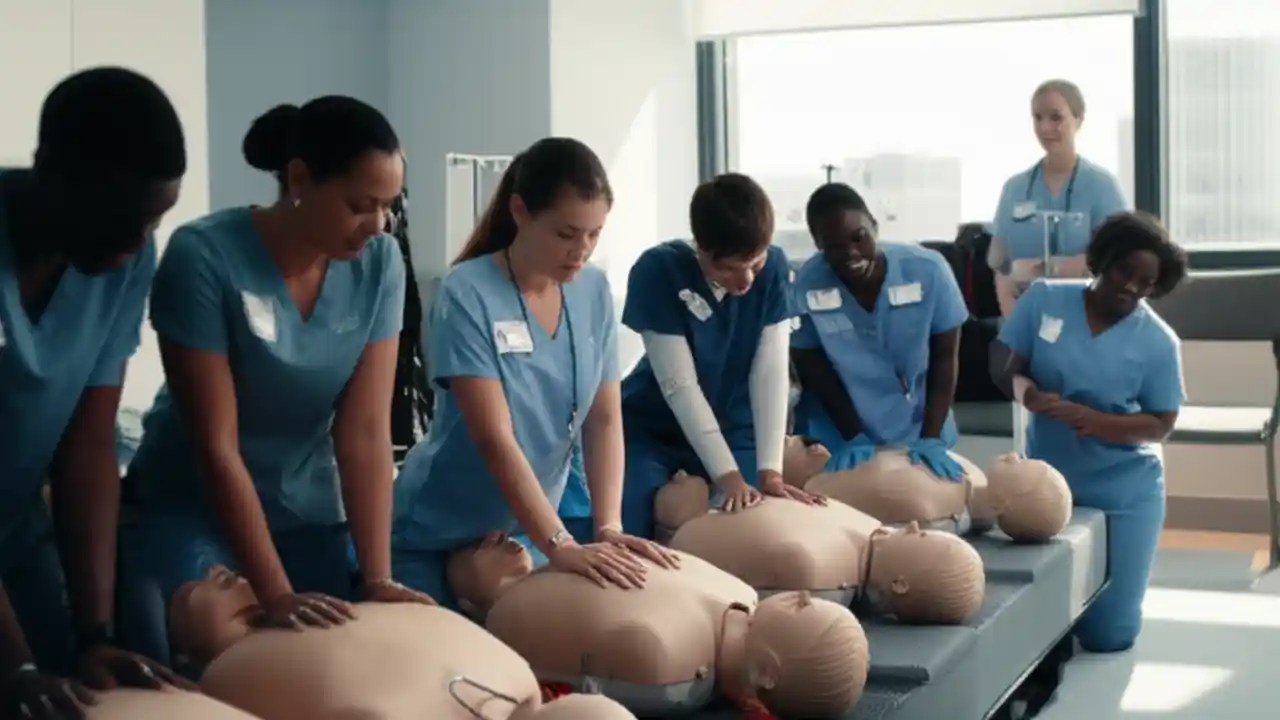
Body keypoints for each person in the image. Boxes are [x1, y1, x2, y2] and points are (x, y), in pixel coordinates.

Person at [118, 96, 431, 667]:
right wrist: (276, 593)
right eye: (360, 205)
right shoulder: (204, 256)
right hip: (194, 508)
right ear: (300, 179)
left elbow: (364, 432)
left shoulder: (380, 263)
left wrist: (377, 579)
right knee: (219, 631)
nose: (378, 224)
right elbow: (216, 446)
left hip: (304, 511)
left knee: (366, 644)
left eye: (389, 206)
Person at [390, 137, 677, 608]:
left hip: (526, 528)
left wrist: (608, 527)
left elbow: (604, 419)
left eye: (594, 234)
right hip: (439, 524)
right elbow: (493, 437)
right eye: (566, 234)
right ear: (520, 211)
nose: (581, 250)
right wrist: (559, 543)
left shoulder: (593, 291)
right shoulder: (468, 291)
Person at [0, 67, 196, 719]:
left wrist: (94, 634)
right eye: (121, 217)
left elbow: (88, 446)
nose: (136, 244)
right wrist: (15, 666)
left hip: (15, 535)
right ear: (49, 171)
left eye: (153, 221)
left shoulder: (122, 261)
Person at [991, 211, 1187, 652]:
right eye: (1124, 272)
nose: (1131, 288)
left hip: (1124, 488)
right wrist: (1027, 394)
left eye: (1146, 283)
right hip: (1047, 482)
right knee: (1037, 628)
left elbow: (1161, 423)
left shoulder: (1158, 342)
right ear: (1103, 260)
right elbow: (1003, 362)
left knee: (1108, 636)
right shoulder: (1045, 300)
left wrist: (1093, 421)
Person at [585, 172, 817, 542]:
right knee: (626, 527)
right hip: (655, 428)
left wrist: (770, 470)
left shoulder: (774, 266)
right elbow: (680, 385)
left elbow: (771, 371)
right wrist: (727, 476)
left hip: (736, 426)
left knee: (752, 527)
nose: (745, 281)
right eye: (728, 268)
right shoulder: (659, 270)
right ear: (700, 249)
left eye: (754, 263)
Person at [790, 183, 969, 479]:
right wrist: (853, 435)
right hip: (842, 432)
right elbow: (813, 366)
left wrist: (931, 437)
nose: (851, 252)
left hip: (920, 425)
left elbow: (945, 357)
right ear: (818, 245)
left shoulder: (928, 270)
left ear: (874, 225)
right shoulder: (809, 283)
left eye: (859, 237)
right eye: (834, 246)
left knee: (923, 496)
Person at [987, 79, 1129, 317]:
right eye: (1038, 118)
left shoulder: (1101, 186)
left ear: (1079, 119)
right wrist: (1016, 326)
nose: (1045, 128)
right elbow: (1000, 264)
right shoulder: (1015, 188)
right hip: (1026, 316)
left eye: (1056, 118)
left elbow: (1117, 257)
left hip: (1088, 319)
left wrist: (1042, 269)